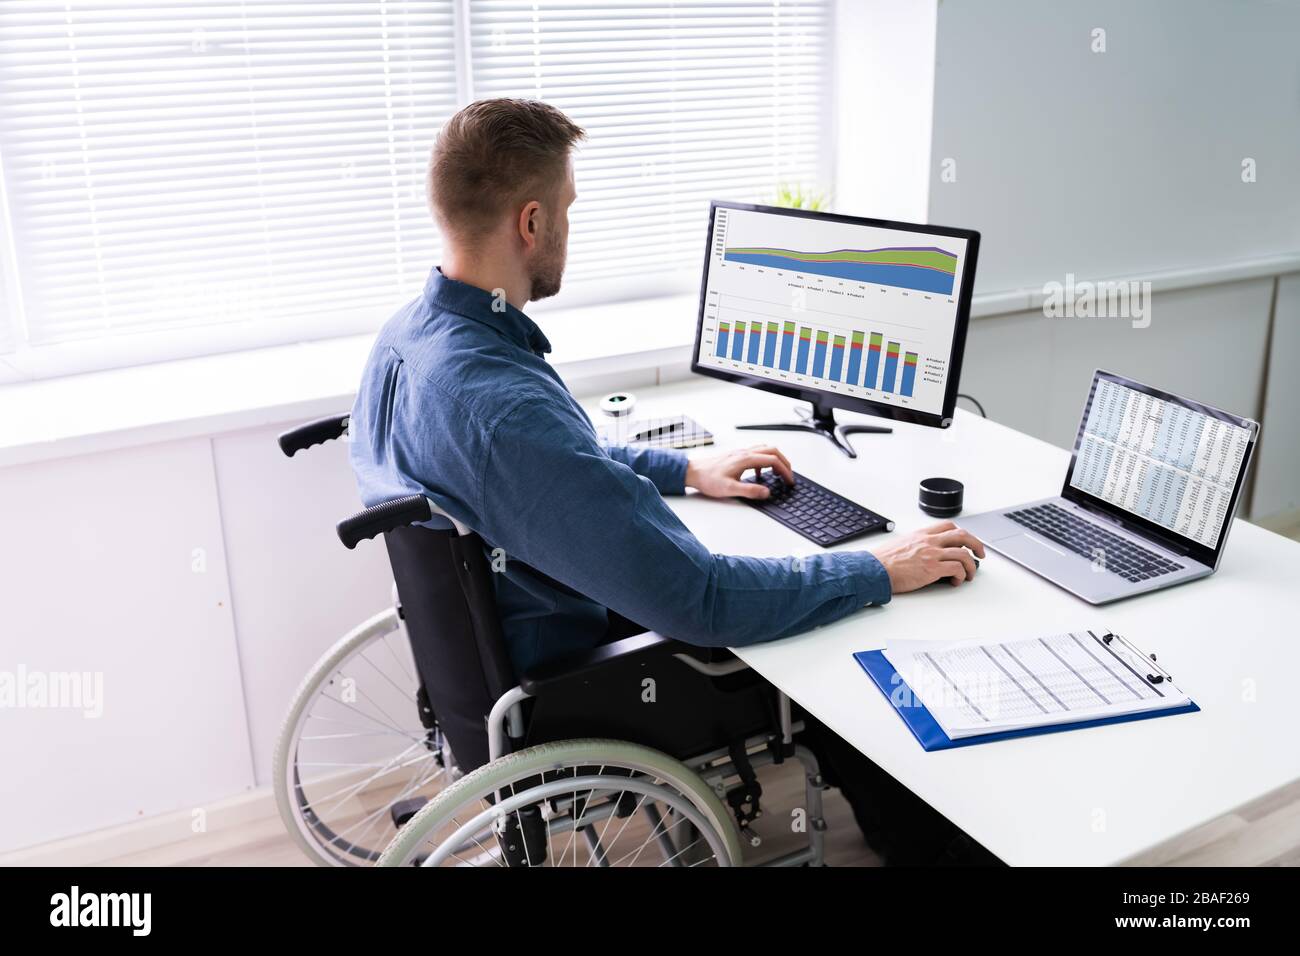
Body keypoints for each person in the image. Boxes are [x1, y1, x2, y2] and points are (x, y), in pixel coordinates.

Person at [350, 97, 996, 865]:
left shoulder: (416, 338)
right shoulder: (496, 403)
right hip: (579, 683)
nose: (567, 228)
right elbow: (702, 601)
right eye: (566, 209)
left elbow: (563, 459)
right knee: (844, 633)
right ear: (530, 223)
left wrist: (686, 469)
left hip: (497, 660)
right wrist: (878, 568)